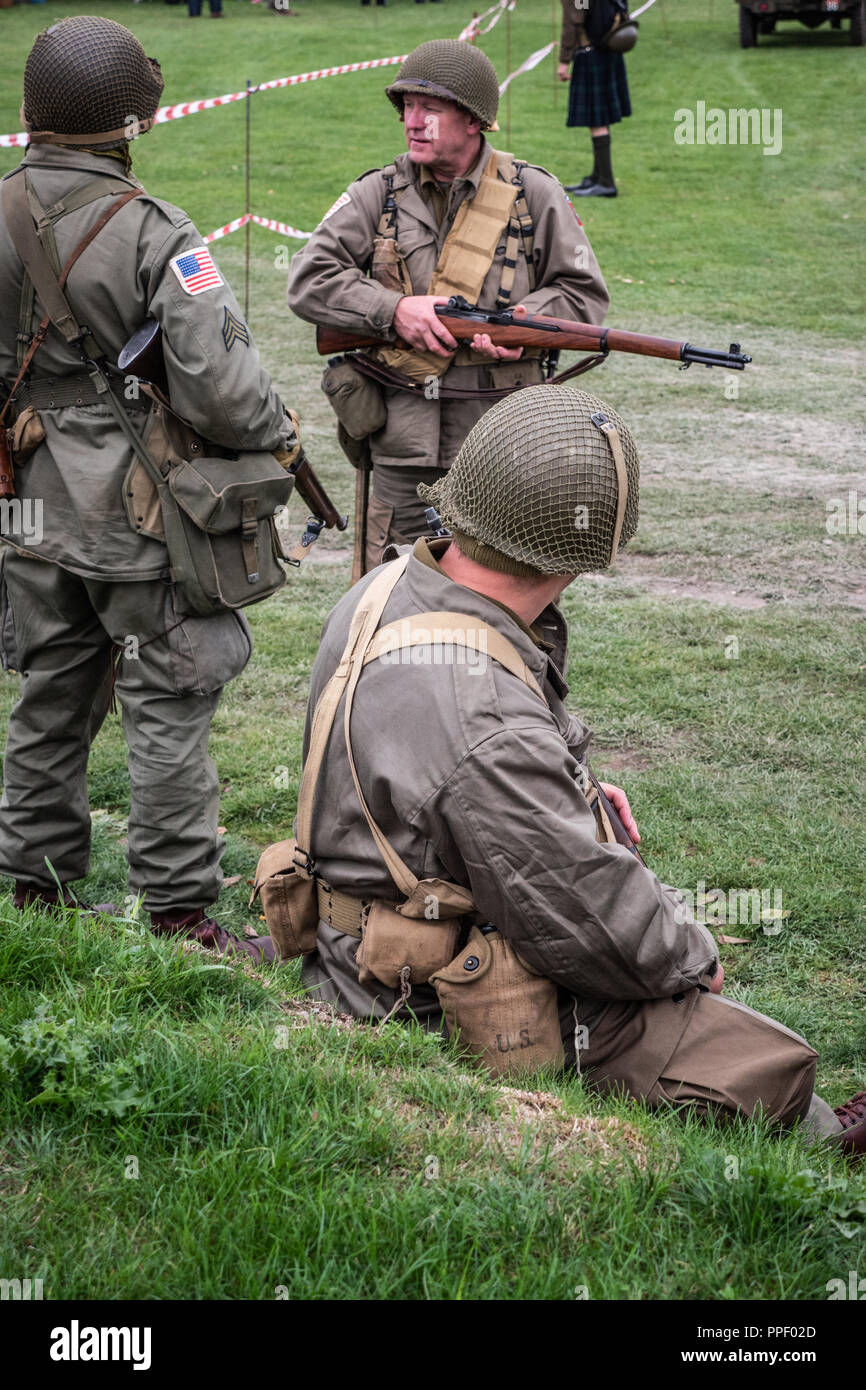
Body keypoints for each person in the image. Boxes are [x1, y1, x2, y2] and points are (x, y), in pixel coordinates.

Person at [288, 385, 866, 1155]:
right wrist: (690, 952)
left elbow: (457, 771)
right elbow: (590, 928)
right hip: (421, 996)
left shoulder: (393, 582)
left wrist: (564, 787)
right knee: (756, 1058)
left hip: (357, 930)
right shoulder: (483, 718)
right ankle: (823, 1140)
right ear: (585, 553)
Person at [0, 17, 298, 963]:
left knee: (51, 689)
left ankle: (34, 888)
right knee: (169, 697)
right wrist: (276, 439)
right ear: (133, 119)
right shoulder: (156, 231)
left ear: (32, 110)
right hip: (134, 509)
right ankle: (175, 911)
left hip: (26, 501)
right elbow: (223, 387)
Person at [286, 39, 609, 573]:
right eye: (406, 107)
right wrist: (394, 311)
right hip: (401, 445)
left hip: (503, 443)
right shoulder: (377, 193)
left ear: (473, 121)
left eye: (429, 109)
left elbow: (583, 295)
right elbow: (308, 279)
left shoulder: (533, 194)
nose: (412, 122)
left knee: (503, 588)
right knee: (388, 594)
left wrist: (523, 326)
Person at [558, 0, 632, 198]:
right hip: (609, 49)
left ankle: (606, 182)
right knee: (601, 118)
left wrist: (564, 60)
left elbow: (574, 20)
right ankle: (597, 176)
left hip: (591, 52)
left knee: (596, 121)